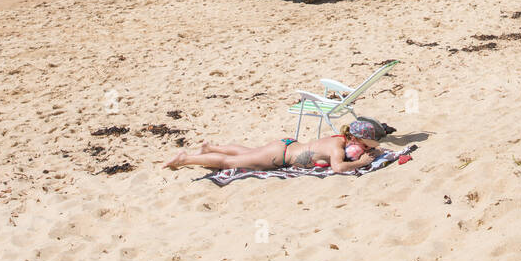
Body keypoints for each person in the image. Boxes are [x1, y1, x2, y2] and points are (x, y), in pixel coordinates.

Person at [163, 117, 394, 172]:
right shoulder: (336, 149)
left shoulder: (339, 138)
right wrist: (361, 162)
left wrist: (372, 150)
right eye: (365, 145)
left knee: (249, 152)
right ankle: (186, 159)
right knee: (229, 163)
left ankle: (210, 148)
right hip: (280, 156)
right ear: (354, 139)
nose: (366, 150)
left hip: (285, 145)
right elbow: (338, 167)